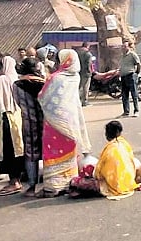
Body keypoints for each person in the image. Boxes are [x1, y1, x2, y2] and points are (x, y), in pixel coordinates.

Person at [38, 49, 93, 198]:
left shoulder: (55, 78)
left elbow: (42, 97)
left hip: (54, 123)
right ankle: (69, 182)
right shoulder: (75, 77)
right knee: (69, 152)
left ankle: (53, 186)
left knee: (53, 152)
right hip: (71, 122)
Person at [69, 121, 141, 200]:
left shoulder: (110, 149)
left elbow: (98, 174)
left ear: (107, 134)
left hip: (112, 186)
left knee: (75, 182)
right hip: (128, 183)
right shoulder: (125, 144)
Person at [0, 56, 25, 197]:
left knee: (8, 150)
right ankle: (18, 180)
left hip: (7, 117)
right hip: (18, 117)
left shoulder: (2, 80)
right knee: (18, 149)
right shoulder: (17, 79)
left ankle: (14, 181)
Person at [12, 57, 45, 197]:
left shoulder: (17, 85)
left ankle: (32, 187)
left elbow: (18, 103)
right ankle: (48, 185)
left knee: (31, 155)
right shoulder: (44, 82)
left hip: (28, 123)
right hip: (46, 122)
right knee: (47, 153)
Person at [119, 42, 141, 118]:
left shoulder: (132, 54)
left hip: (131, 75)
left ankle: (136, 110)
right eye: (122, 47)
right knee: (124, 95)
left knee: (134, 94)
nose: (123, 48)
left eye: (125, 47)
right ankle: (126, 111)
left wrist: (136, 73)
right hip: (123, 76)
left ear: (128, 47)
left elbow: (138, 64)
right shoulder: (122, 56)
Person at [77, 42, 93, 107]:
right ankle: (85, 101)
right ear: (87, 46)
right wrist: (90, 72)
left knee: (79, 87)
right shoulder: (88, 54)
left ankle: (78, 101)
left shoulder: (77, 53)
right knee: (85, 87)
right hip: (86, 73)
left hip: (78, 72)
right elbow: (88, 64)